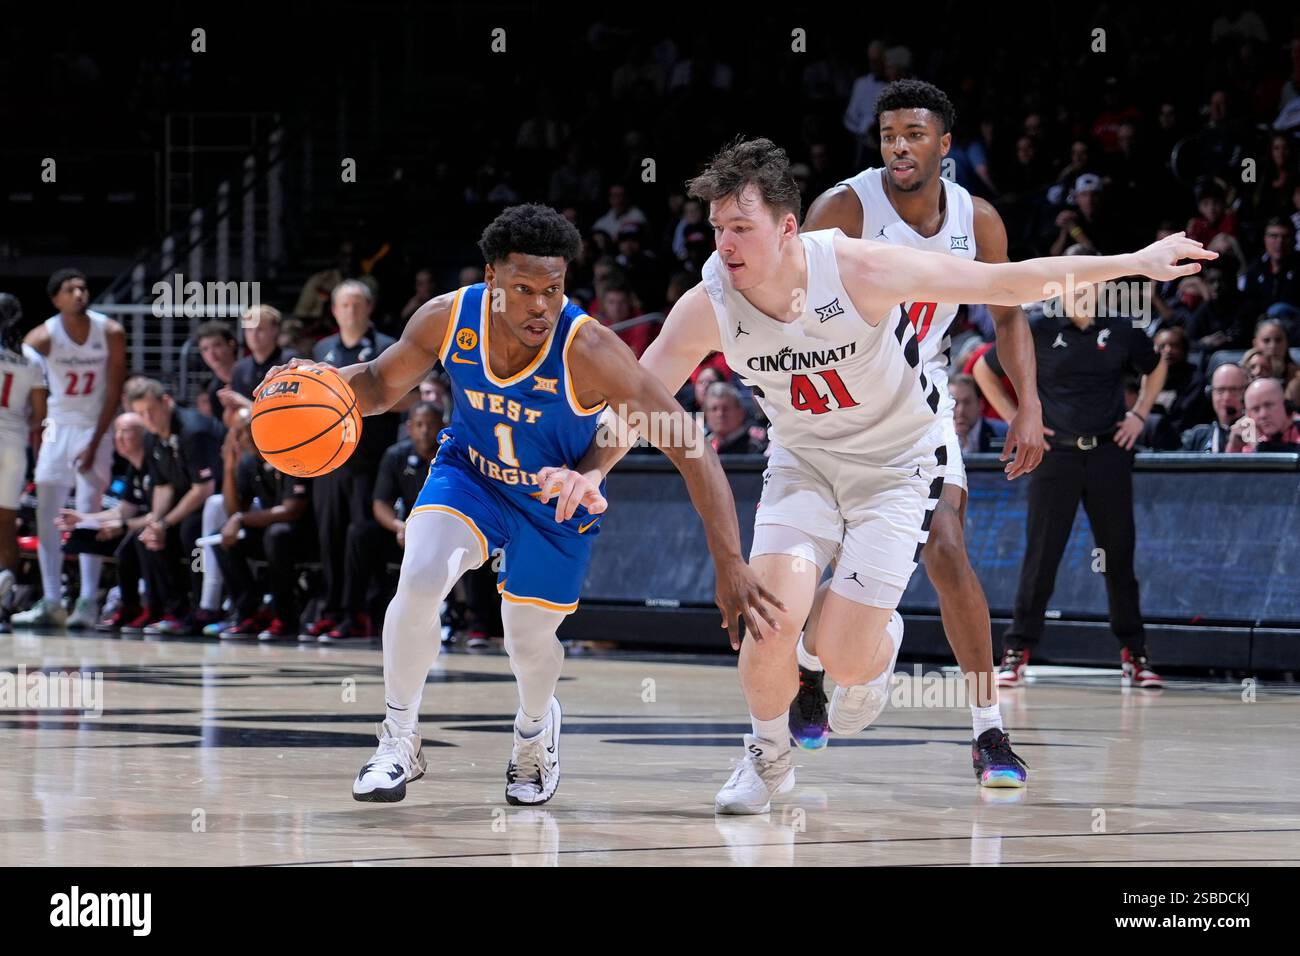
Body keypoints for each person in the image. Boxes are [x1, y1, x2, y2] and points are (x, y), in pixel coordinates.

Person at [549, 136, 1210, 814]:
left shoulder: (858, 268)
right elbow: (644, 392)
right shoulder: (710, 302)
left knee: (844, 653)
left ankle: (873, 647)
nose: (725, 244)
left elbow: (1002, 283)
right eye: (717, 228)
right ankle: (767, 759)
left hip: (897, 466)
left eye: (741, 227)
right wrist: (593, 470)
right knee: (769, 619)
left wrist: (1134, 262)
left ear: (786, 228)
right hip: (802, 462)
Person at [264, 203, 779, 807]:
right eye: (525, 289)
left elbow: (693, 451)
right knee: (422, 576)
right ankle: (398, 738)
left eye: (553, 290)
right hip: (471, 476)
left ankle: (534, 732)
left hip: (555, 497)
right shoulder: (446, 318)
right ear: (492, 281)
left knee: (525, 640)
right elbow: (378, 384)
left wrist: (729, 562)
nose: (540, 305)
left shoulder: (589, 349)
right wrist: (318, 381)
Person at [797, 80, 1044, 780]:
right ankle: (812, 670)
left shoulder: (979, 220)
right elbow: (798, 306)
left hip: (923, 392)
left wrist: (1027, 403)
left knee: (945, 547)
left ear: (944, 144)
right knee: (832, 551)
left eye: (913, 133)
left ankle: (989, 729)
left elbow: (1010, 314)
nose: (898, 146)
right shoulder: (843, 208)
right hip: (841, 392)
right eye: (887, 135)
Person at [975, 272, 1171, 692]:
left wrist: (1139, 416)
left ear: (1102, 286)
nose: (1083, 289)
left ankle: (1134, 655)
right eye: (1074, 282)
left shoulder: (1121, 329)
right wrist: (1016, 417)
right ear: (1057, 288)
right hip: (1054, 455)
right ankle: (1016, 651)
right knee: (1042, 557)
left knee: (1118, 555)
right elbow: (983, 370)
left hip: (1107, 453)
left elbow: (1157, 367)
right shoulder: (1036, 327)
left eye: (1091, 281)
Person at [13, 269, 126, 630]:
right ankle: (51, 600)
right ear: (55, 299)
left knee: (89, 510)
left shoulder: (109, 331)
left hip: (96, 426)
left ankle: (88, 601)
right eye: (69, 289)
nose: (79, 293)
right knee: (46, 510)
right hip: (57, 426)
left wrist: (94, 443)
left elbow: (114, 391)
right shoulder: (43, 336)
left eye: (83, 286)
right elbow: (22, 373)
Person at [300, 280, 402, 641]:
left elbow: (407, 398)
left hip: (368, 460)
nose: (351, 311)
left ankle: (360, 612)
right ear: (334, 310)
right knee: (328, 538)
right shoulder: (322, 349)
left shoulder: (386, 347)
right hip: (327, 461)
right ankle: (331, 610)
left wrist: (359, 395)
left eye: (358, 305)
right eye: (345, 305)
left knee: (360, 538)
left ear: (369, 307)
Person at [335, 401, 443, 642]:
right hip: (402, 533)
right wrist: (399, 526)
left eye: (431, 424)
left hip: (442, 534)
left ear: (443, 426)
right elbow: (380, 504)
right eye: (419, 424)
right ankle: (354, 617)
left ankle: (470, 620)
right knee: (359, 533)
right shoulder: (396, 455)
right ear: (409, 427)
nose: (425, 430)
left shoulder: (451, 457)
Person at [126, 377, 223, 636]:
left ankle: (202, 606)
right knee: (147, 537)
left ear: (166, 402)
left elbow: (204, 488)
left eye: (151, 411)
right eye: (140, 414)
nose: (148, 418)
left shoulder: (193, 431)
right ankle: (173, 609)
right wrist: (157, 523)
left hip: (217, 502)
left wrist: (165, 522)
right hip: (185, 500)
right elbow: (162, 486)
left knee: (190, 532)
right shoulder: (152, 438)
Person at [212, 409, 315, 640]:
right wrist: (229, 467)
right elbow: (234, 511)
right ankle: (248, 611)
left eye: (246, 429)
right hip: (271, 532)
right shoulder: (249, 461)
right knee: (223, 539)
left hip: (306, 534)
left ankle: (285, 618)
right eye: (237, 432)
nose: (242, 437)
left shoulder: (291, 452)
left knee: (276, 536)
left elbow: (292, 510)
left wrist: (240, 519)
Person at [55, 413, 154, 633]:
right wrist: (85, 518)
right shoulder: (133, 467)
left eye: (125, 432)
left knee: (131, 544)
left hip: (160, 526)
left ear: (143, 436)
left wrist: (124, 526)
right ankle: (123, 607)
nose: (119, 438)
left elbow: (157, 513)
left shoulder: (154, 463)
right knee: (83, 535)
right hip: (138, 524)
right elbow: (125, 509)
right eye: (116, 432)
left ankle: (152, 608)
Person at [0, 294, 48, 626]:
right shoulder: (31, 358)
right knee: (6, 526)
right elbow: (39, 415)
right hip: (15, 444)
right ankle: (4, 605)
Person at [1182, 363, 1248, 452]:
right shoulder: (1197, 437)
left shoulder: (1257, 434)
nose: (1226, 398)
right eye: (1220, 390)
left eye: (1234, 390)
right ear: (1210, 394)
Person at [1226, 377, 1300, 452]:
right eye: (1255, 409)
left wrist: (1259, 447)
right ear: (1248, 414)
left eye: (1269, 405)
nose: (1263, 415)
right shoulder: (1248, 442)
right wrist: (1233, 448)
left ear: (1285, 405)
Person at [193, 321, 239, 424]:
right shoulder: (213, 390)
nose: (211, 353)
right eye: (205, 349)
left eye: (217, 345)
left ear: (231, 345)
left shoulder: (252, 372)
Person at [949, 374, 1007, 453]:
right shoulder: (936, 436)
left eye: (967, 402)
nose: (960, 410)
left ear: (980, 404)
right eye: (954, 403)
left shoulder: (1003, 434)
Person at [703, 381, 765, 454]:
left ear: (741, 412)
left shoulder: (757, 445)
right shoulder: (700, 444)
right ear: (706, 414)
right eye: (714, 409)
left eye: (725, 408)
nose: (720, 414)